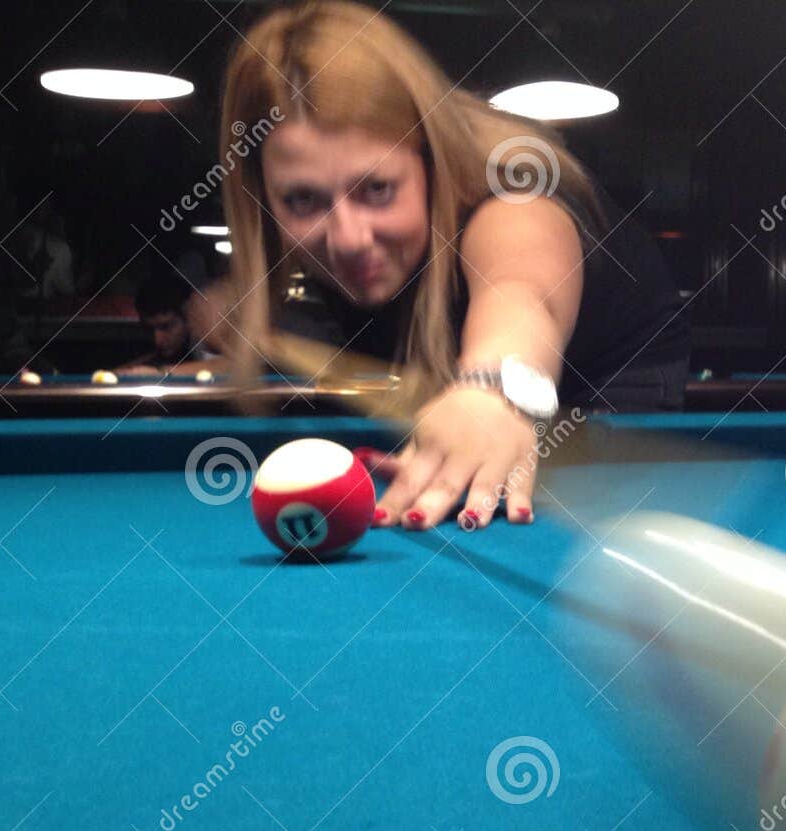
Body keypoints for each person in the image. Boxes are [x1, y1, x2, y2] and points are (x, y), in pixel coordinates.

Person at [219, 0, 690, 531]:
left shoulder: (512, 195)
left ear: (430, 159)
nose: (349, 240)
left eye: (376, 188)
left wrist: (491, 390)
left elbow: (521, 291)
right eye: (303, 201)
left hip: (608, 384)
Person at [118, 273, 220, 376]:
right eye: (149, 329)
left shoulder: (207, 332)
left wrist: (159, 373)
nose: (157, 340)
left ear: (189, 316)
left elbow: (230, 365)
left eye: (166, 327)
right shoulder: (168, 348)